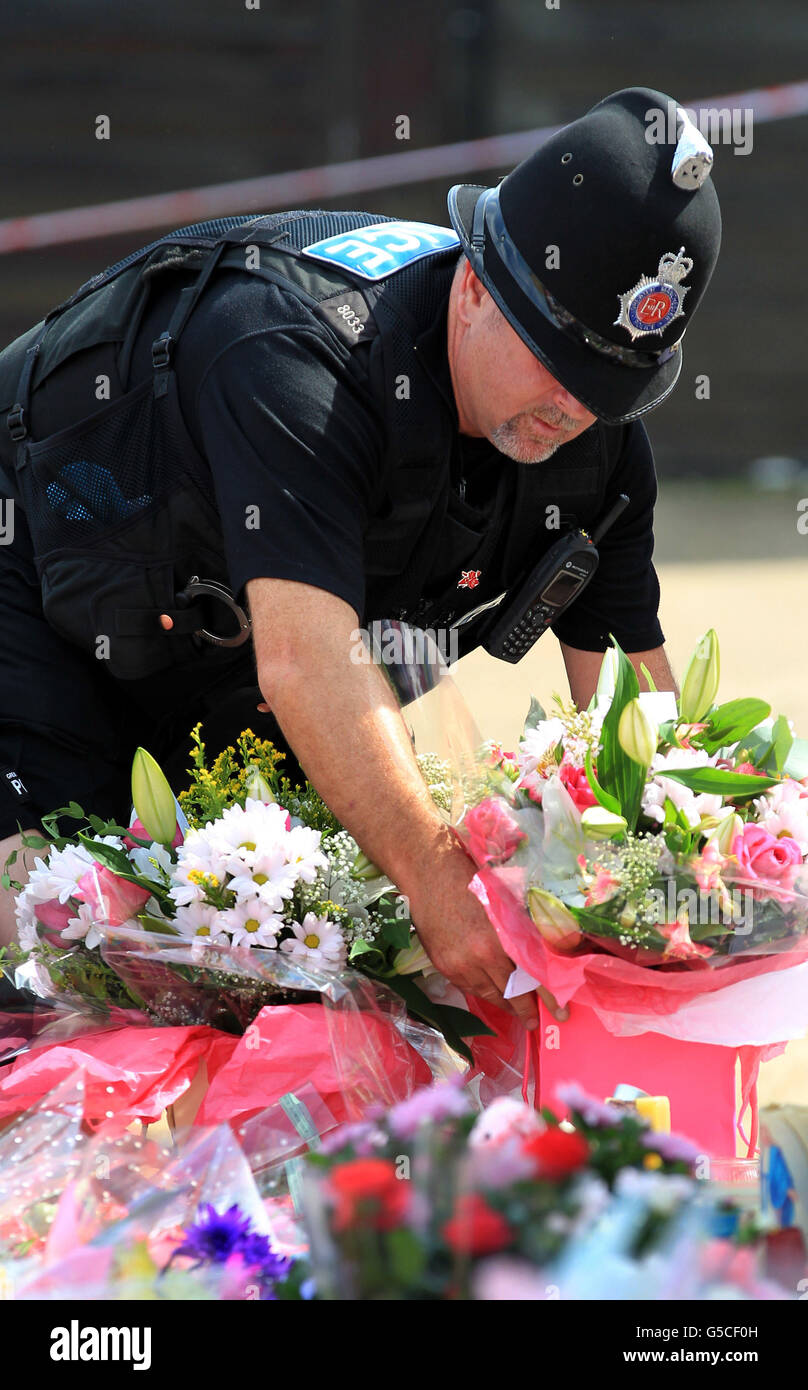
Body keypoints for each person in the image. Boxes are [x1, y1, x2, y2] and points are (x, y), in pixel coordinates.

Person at [0, 86, 721, 1030]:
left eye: (612, 386)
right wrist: (432, 872)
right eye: (560, 363)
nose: (576, 408)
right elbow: (306, 659)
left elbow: (637, 711)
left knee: (292, 987)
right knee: (61, 964)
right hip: (37, 579)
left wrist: (672, 876)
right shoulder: (296, 356)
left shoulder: (593, 439)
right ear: (475, 285)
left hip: (210, 657)